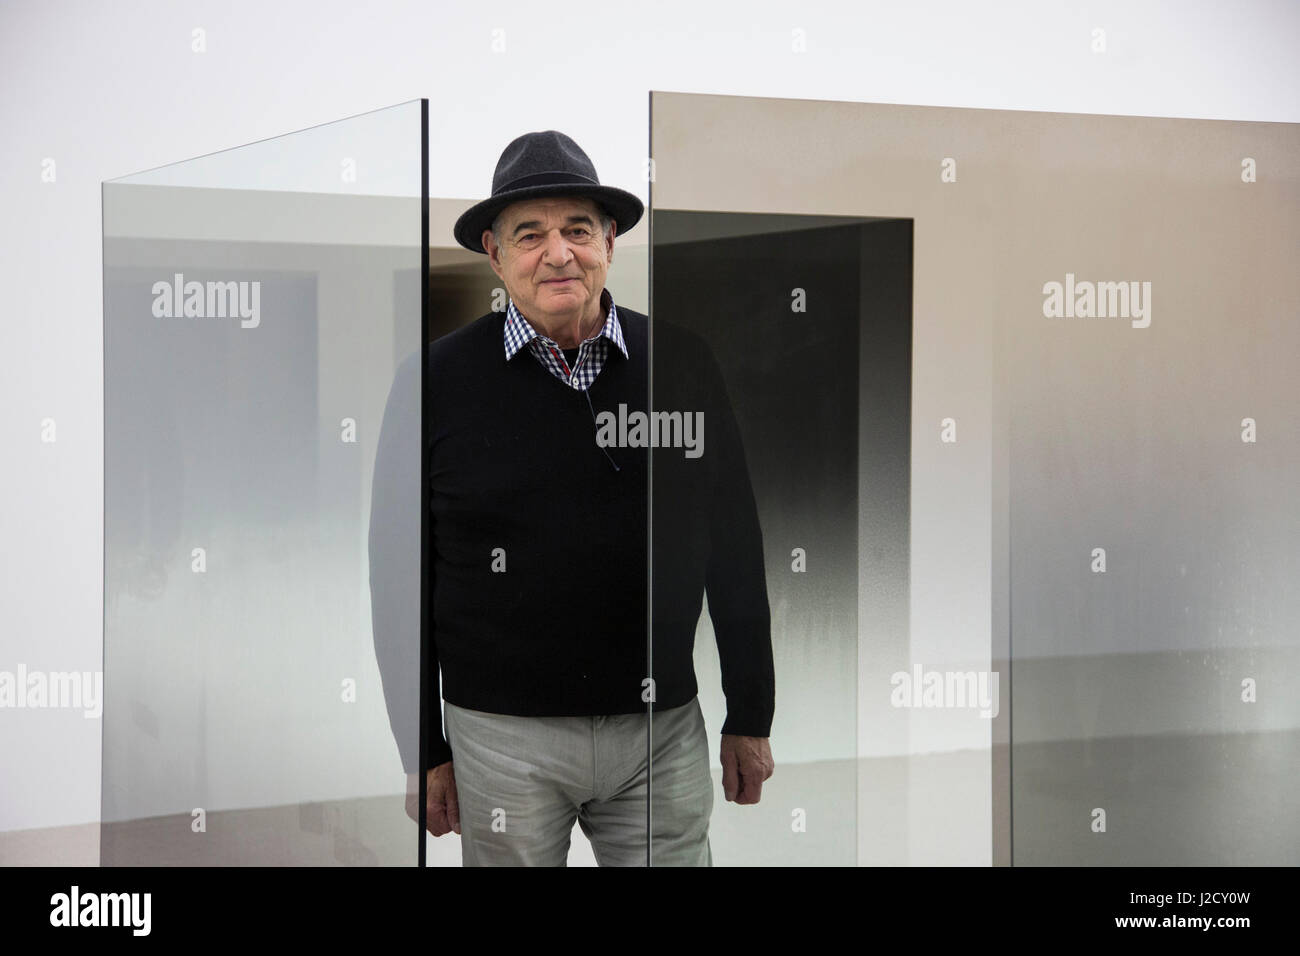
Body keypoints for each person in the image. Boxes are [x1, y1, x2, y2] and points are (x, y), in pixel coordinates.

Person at [370, 130, 774, 866]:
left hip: (661, 731)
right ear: (494, 254)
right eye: (531, 234)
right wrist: (422, 746)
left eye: (577, 230)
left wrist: (751, 710)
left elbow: (735, 545)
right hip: (500, 741)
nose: (558, 253)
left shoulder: (681, 363)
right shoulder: (433, 382)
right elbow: (399, 580)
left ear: (610, 241)